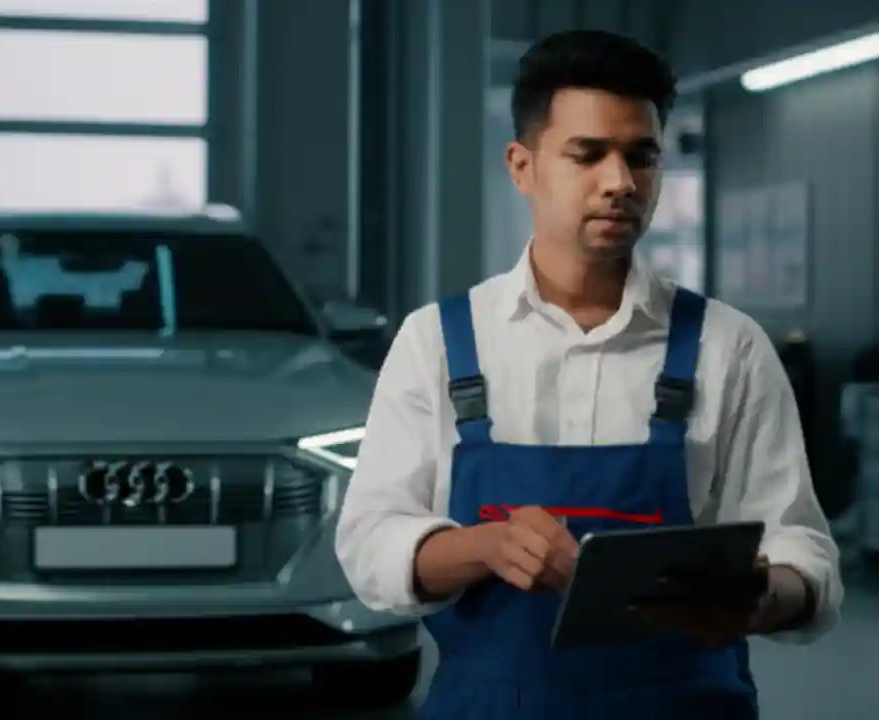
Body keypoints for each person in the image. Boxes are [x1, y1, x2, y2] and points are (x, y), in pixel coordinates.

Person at [335, 28, 842, 719]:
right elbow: (368, 544)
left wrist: (767, 594)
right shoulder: (439, 344)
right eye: (589, 154)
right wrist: (483, 546)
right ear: (522, 166)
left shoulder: (732, 347)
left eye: (642, 157)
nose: (620, 182)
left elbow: (802, 545)